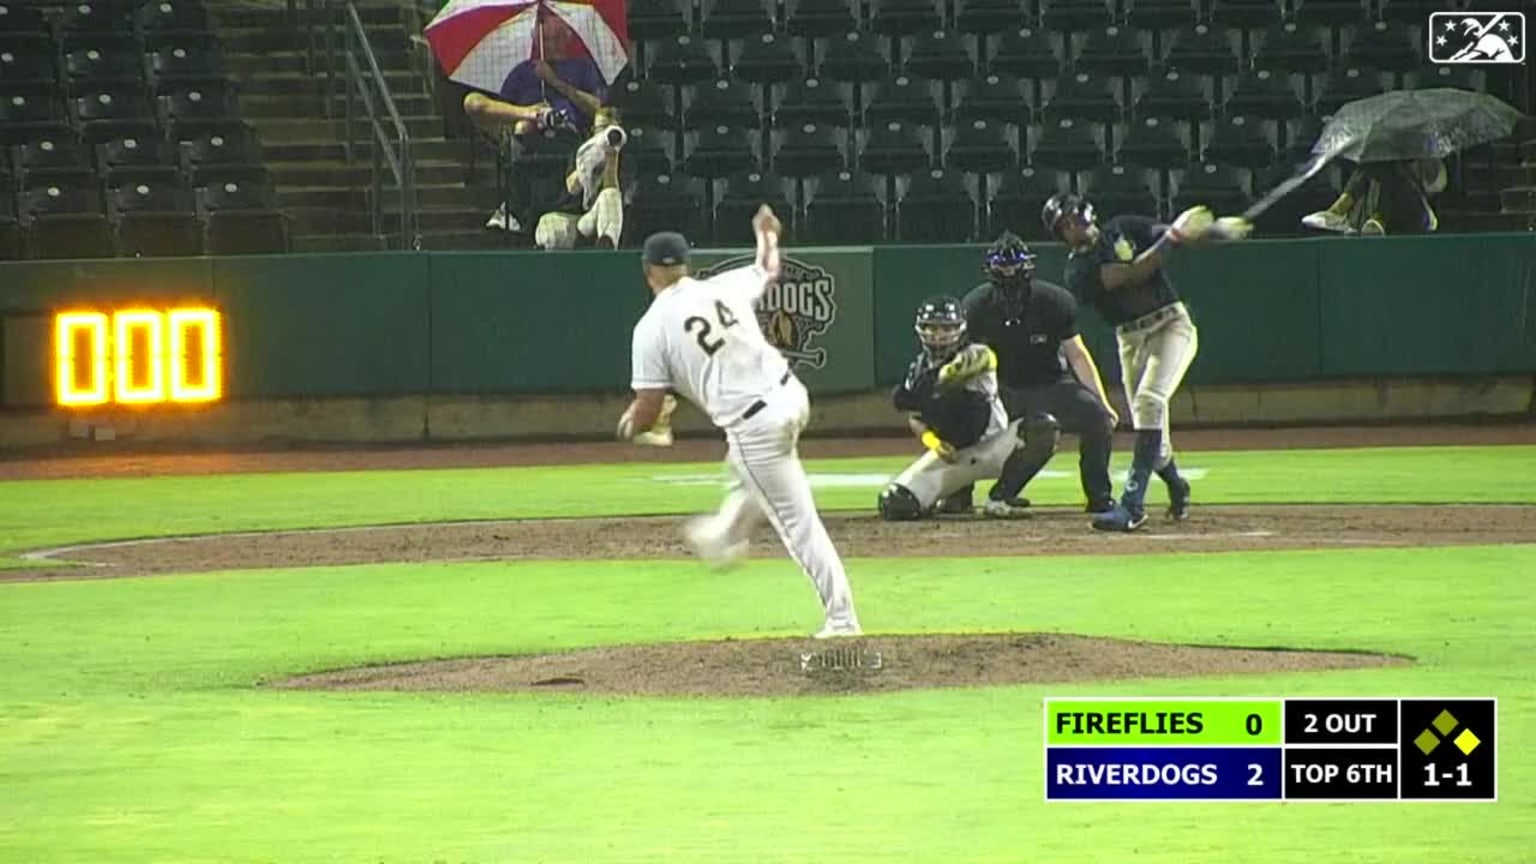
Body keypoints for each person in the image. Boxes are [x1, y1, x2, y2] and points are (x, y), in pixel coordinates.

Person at [618, 205, 862, 639]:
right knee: (744, 469)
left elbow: (649, 406)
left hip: (755, 426)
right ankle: (722, 537)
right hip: (792, 395)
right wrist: (767, 232)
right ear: (686, 264)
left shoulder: (650, 328)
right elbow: (768, 267)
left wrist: (630, 426)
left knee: (798, 525)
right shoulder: (721, 286)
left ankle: (842, 619)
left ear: (647, 271)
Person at [1043, 195, 1249, 531]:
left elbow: (1176, 234)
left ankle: (1132, 505)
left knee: (1149, 402)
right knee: (1153, 436)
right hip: (1130, 340)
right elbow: (1131, 274)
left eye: (1074, 217)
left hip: (1171, 325)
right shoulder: (1077, 271)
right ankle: (1177, 486)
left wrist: (1214, 231)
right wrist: (1175, 237)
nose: (1074, 225)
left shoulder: (1123, 227)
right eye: (1065, 224)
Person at [948, 232, 1118, 518]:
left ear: (1026, 266)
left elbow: (1077, 354)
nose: (1009, 273)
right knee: (961, 419)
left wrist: (1102, 401)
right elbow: (967, 363)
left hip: (1051, 384)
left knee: (1097, 419)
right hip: (1001, 389)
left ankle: (1099, 496)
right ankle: (958, 495)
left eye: (1013, 266)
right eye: (1002, 267)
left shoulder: (1054, 301)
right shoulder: (976, 306)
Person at [876, 296, 1023, 521]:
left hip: (996, 446)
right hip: (956, 453)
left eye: (946, 328)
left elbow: (977, 361)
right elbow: (915, 417)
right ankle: (958, 493)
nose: (938, 334)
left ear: (960, 329)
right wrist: (935, 443)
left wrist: (941, 380)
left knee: (1040, 428)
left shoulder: (977, 352)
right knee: (897, 503)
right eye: (932, 327)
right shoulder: (917, 369)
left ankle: (1002, 496)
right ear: (920, 329)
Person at [463, 15, 608, 232]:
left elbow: (600, 109)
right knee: (480, 105)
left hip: (567, 140)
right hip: (524, 135)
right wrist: (530, 114)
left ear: (567, 37)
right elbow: (483, 108)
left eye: (556, 38)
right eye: (544, 39)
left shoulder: (582, 67)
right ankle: (517, 209)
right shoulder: (523, 71)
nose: (549, 44)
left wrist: (555, 82)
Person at [534, 105, 627, 250]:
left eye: (610, 128)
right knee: (549, 228)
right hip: (577, 221)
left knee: (610, 196)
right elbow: (572, 188)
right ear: (593, 130)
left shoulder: (626, 158)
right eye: (601, 128)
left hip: (604, 218)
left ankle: (606, 252)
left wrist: (611, 158)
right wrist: (588, 164)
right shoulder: (582, 151)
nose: (605, 133)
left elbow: (613, 195)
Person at [1302, 159, 1443, 236]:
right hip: (1369, 219)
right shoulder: (1374, 160)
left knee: (1385, 166)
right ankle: (1375, 217)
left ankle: (1339, 209)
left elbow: (1435, 186)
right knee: (1377, 163)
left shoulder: (1421, 151)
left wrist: (1424, 159)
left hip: (1411, 216)